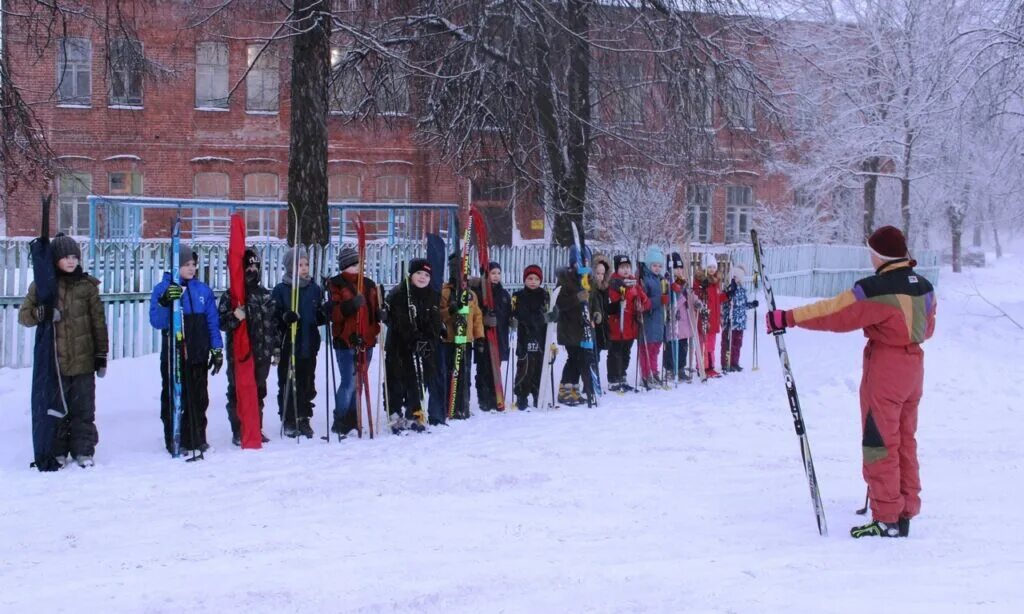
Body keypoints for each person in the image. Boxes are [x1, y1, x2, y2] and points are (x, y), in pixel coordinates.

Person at [766, 226, 936, 539]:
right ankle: (904, 509)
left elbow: (835, 313)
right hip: (914, 368)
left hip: (886, 369)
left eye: (872, 252)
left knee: (879, 441)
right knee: (904, 439)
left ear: (880, 255)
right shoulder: (924, 286)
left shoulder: (875, 288)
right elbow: (929, 328)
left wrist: (787, 318)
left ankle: (886, 518)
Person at [18, 235, 108, 467]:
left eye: (75, 257)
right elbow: (24, 317)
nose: (71, 261)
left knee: (83, 409)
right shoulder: (44, 285)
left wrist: (101, 355)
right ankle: (57, 450)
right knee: (56, 410)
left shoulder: (87, 286)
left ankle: (83, 450)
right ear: (55, 259)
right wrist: (42, 314)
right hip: (55, 363)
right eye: (66, 257)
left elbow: (98, 323)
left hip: (84, 361)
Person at [150, 246, 223, 455]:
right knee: (175, 396)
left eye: (193, 264)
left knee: (199, 396)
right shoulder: (163, 288)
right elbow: (157, 321)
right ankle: (175, 437)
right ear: (175, 265)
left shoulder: (203, 290)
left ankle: (197, 437)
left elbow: (212, 322)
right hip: (175, 352)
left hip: (198, 351)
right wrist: (166, 302)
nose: (191, 269)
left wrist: (216, 349)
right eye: (186, 265)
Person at [218, 249, 278, 446]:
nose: (252, 270)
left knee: (259, 391)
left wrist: (276, 348)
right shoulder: (232, 295)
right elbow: (222, 322)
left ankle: (255, 427)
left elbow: (274, 323)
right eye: (248, 266)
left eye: (255, 266)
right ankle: (239, 429)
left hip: (263, 353)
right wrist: (235, 316)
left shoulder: (265, 295)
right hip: (241, 355)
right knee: (237, 392)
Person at [325, 245, 381, 438]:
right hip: (346, 340)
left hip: (366, 340)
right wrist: (350, 306)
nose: (358, 266)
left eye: (359, 262)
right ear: (345, 265)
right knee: (349, 382)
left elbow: (374, 311)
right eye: (354, 263)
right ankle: (341, 420)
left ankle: (354, 418)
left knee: (360, 382)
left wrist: (380, 317)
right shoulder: (336, 284)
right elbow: (334, 313)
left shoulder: (369, 284)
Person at [272, 246, 325, 439]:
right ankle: (289, 419)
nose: (304, 268)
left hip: (308, 343)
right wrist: (285, 317)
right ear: (289, 267)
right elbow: (274, 317)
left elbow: (318, 316)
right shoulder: (281, 290)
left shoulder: (314, 289)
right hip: (289, 343)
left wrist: (324, 313)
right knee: (288, 381)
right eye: (299, 265)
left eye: (306, 264)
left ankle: (304, 417)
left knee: (307, 382)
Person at [385, 259, 444, 430]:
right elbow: (400, 321)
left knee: (417, 379)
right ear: (411, 275)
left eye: (426, 275)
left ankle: (414, 412)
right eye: (418, 273)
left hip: (422, 347)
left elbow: (435, 321)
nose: (422, 277)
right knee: (396, 380)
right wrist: (414, 339)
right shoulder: (400, 294)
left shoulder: (432, 295)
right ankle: (394, 412)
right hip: (399, 345)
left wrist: (428, 340)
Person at [440, 252, 484, 420]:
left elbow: (477, 317)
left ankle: (462, 405)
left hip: (465, 340)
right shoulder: (445, 292)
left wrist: (479, 338)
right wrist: (451, 310)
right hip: (449, 340)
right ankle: (447, 405)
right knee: (449, 372)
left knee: (464, 374)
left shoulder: (471, 294)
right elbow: (440, 315)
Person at [555, 244, 597, 406]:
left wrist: (594, 314)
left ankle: (574, 388)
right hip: (569, 329)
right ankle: (565, 389)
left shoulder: (588, 281)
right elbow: (559, 303)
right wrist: (576, 298)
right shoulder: (565, 280)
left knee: (581, 359)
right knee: (574, 359)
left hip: (583, 328)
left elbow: (590, 303)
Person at [471, 262, 512, 411]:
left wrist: (512, 321)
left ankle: (496, 397)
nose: (496, 276)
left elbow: (508, 313)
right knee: (484, 369)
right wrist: (485, 320)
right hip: (484, 337)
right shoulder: (480, 293)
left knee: (496, 369)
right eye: (493, 273)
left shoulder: (504, 294)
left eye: (498, 273)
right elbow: (475, 313)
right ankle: (484, 398)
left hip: (499, 338)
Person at [606, 255, 648, 392]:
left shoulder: (634, 283)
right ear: (617, 269)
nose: (626, 270)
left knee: (626, 352)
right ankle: (613, 378)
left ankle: (622, 375)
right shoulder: (613, 283)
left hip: (630, 326)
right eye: (622, 267)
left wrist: (641, 305)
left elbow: (645, 300)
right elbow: (611, 302)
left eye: (628, 267)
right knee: (615, 352)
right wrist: (620, 300)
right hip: (617, 325)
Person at [510, 265, 549, 410]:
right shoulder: (519, 296)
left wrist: (551, 316)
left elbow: (549, 314)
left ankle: (537, 393)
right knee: (524, 367)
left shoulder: (545, 295)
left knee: (538, 367)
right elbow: (520, 314)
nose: (533, 281)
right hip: (524, 336)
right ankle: (521, 395)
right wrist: (539, 318)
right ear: (525, 279)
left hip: (540, 336)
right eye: (530, 278)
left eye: (537, 279)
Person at [663, 252, 701, 382]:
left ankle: (680, 369)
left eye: (680, 268)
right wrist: (682, 296)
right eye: (676, 268)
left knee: (683, 348)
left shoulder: (683, 282)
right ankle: (670, 369)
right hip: (674, 322)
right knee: (672, 347)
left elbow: (690, 295)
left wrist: (696, 301)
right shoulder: (667, 283)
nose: (679, 271)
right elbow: (671, 303)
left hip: (685, 323)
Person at [638, 247, 667, 389]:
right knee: (647, 349)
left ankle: (654, 371)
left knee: (656, 348)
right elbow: (644, 303)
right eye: (654, 265)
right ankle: (645, 374)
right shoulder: (645, 280)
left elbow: (668, 300)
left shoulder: (661, 279)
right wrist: (660, 300)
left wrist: (675, 292)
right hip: (648, 321)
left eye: (659, 266)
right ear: (649, 265)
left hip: (659, 321)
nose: (657, 268)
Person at [720, 265, 758, 372]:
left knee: (737, 344)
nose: (736, 280)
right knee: (728, 343)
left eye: (738, 278)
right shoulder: (728, 289)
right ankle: (725, 363)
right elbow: (723, 303)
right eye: (734, 278)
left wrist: (752, 305)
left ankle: (734, 362)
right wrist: (729, 295)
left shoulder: (742, 290)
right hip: (730, 322)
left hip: (740, 322)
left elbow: (743, 305)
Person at [694, 254, 725, 377]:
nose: (712, 269)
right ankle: (702, 366)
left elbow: (718, 299)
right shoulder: (699, 281)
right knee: (704, 344)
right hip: (705, 318)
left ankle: (711, 366)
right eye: (709, 267)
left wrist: (728, 294)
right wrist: (702, 287)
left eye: (714, 267)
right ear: (704, 267)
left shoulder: (716, 283)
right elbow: (697, 296)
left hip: (714, 319)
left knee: (711, 344)